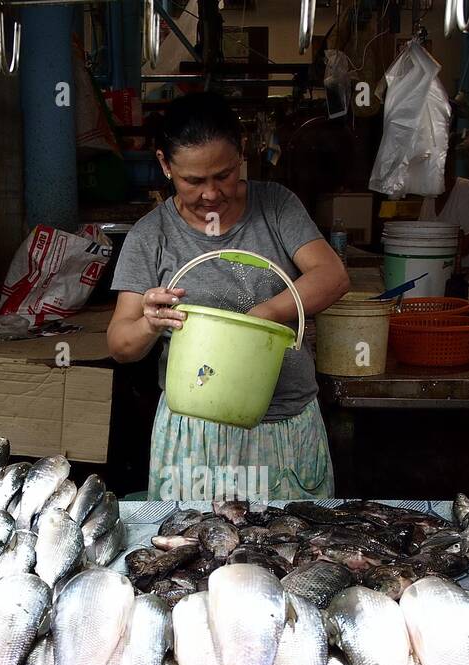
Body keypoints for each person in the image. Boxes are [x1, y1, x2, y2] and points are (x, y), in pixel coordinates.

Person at [107, 92, 350, 501]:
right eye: (193, 181)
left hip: (284, 420)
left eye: (223, 175)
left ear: (241, 155)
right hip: (196, 431)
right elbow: (120, 345)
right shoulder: (151, 235)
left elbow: (332, 276)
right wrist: (149, 322)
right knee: (190, 551)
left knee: (294, 552)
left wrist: (263, 315)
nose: (211, 194)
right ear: (165, 164)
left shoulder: (275, 206)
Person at [418, 136, 469, 277]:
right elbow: (423, 235)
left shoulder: (466, 189)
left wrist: (443, 257)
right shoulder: (429, 197)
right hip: (442, 275)